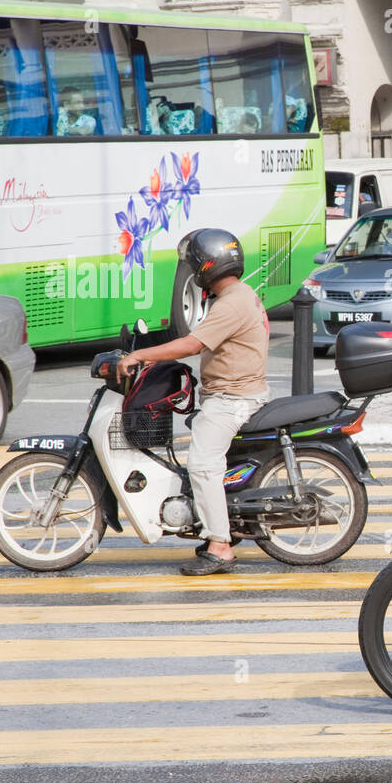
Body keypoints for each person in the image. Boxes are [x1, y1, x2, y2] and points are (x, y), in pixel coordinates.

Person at [117, 229, 270, 576]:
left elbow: (192, 344)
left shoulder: (232, 301)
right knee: (203, 463)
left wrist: (142, 355)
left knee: (202, 464)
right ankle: (213, 522)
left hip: (233, 399)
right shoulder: (236, 295)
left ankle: (220, 545)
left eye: (193, 263)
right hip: (231, 393)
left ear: (206, 265)